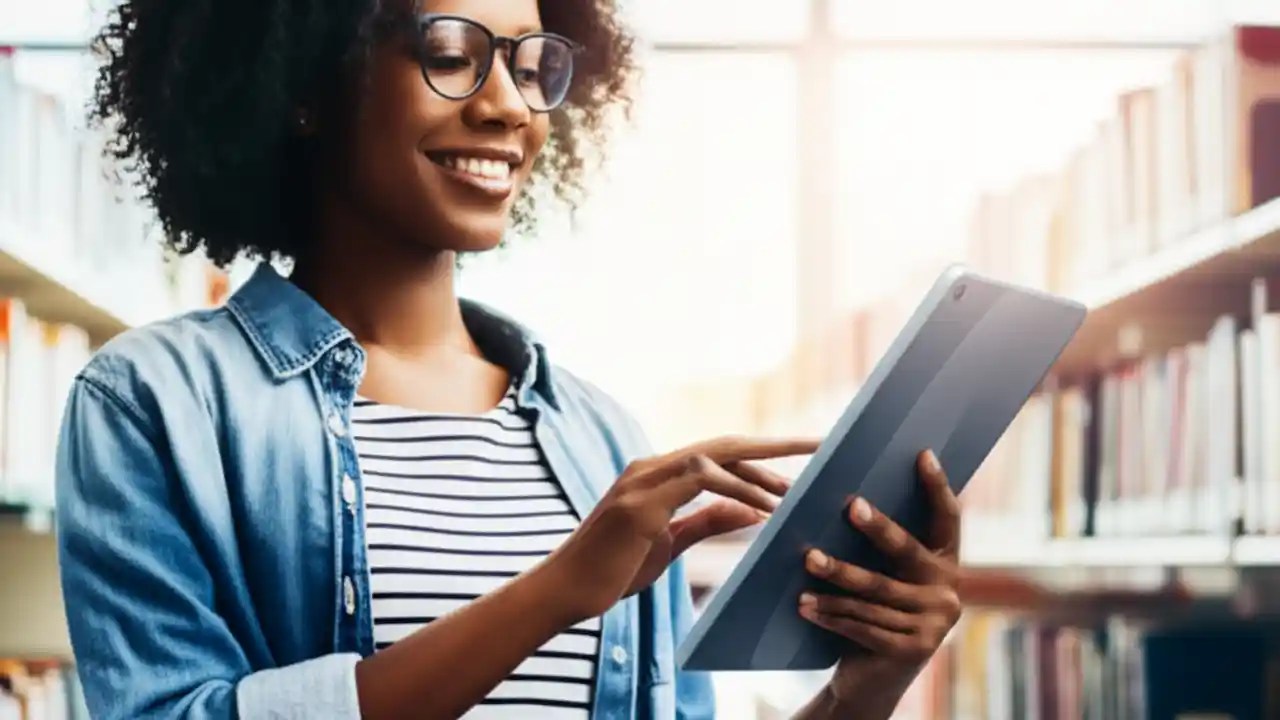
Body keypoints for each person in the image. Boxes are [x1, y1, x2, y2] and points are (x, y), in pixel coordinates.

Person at [54, 0, 964, 718]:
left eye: (532, 66)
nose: (506, 107)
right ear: (302, 81)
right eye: (450, 56)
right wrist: (556, 592)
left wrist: (864, 690)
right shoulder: (151, 405)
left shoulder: (600, 438)